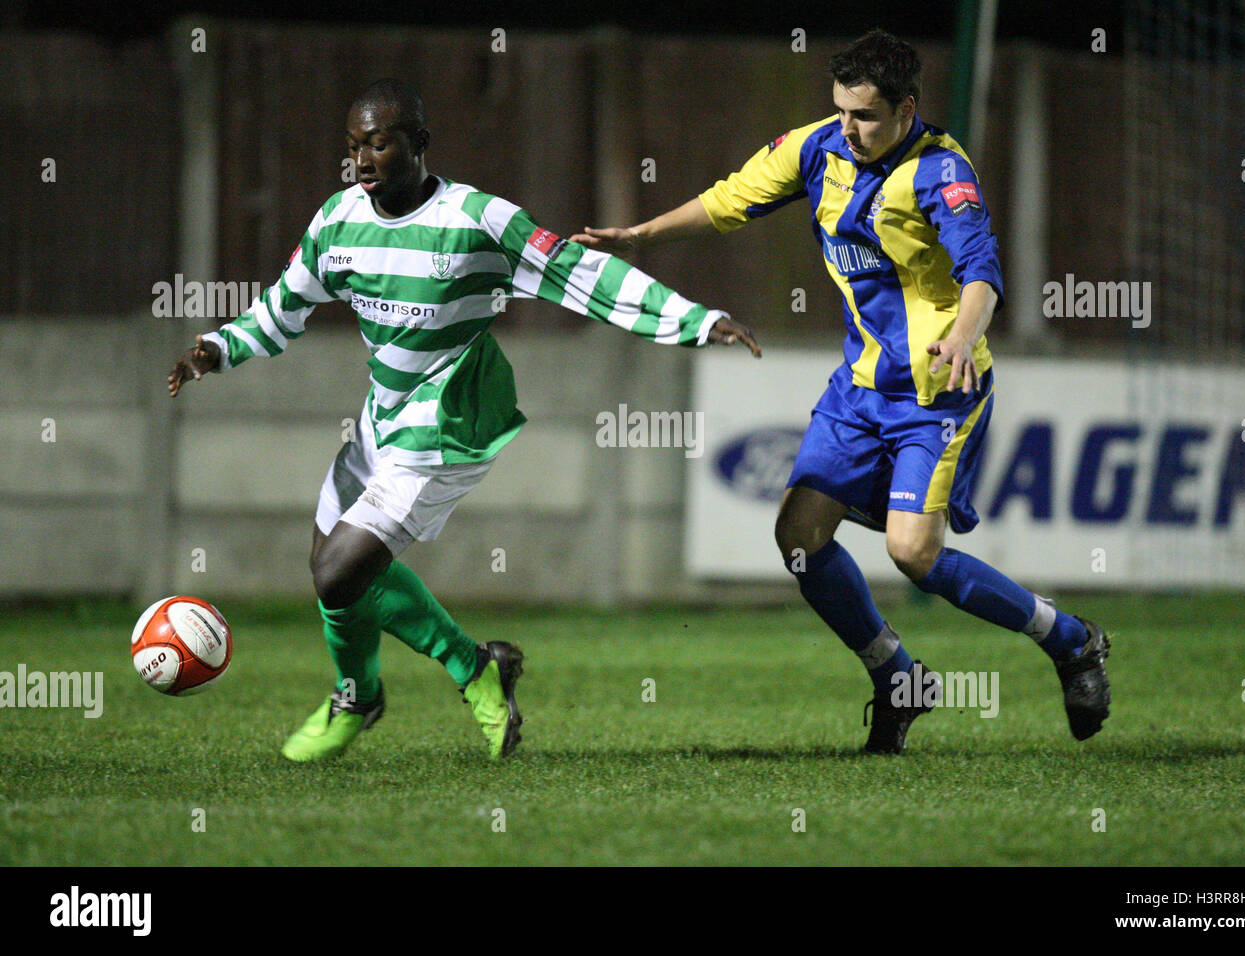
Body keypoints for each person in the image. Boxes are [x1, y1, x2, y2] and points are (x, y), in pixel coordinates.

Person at [168, 78, 761, 763]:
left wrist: (698, 320)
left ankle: (469, 666)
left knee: (338, 572)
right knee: (331, 573)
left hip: (449, 419)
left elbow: (582, 273)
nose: (363, 159)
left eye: (380, 143)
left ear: (420, 145)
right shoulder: (338, 221)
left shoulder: (478, 219)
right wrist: (215, 349)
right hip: (381, 418)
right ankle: (359, 697)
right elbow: (284, 305)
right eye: (354, 145)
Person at [573, 29, 1110, 753]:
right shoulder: (818, 146)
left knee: (912, 554)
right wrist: (642, 234)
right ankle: (898, 678)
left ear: (906, 108)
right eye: (841, 111)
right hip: (858, 391)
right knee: (798, 536)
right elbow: (731, 200)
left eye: (864, 116)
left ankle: (1072, 641)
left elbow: (983, 269)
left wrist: (960, 335)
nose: (849, 129)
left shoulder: (941, 172)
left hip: (938, 394)